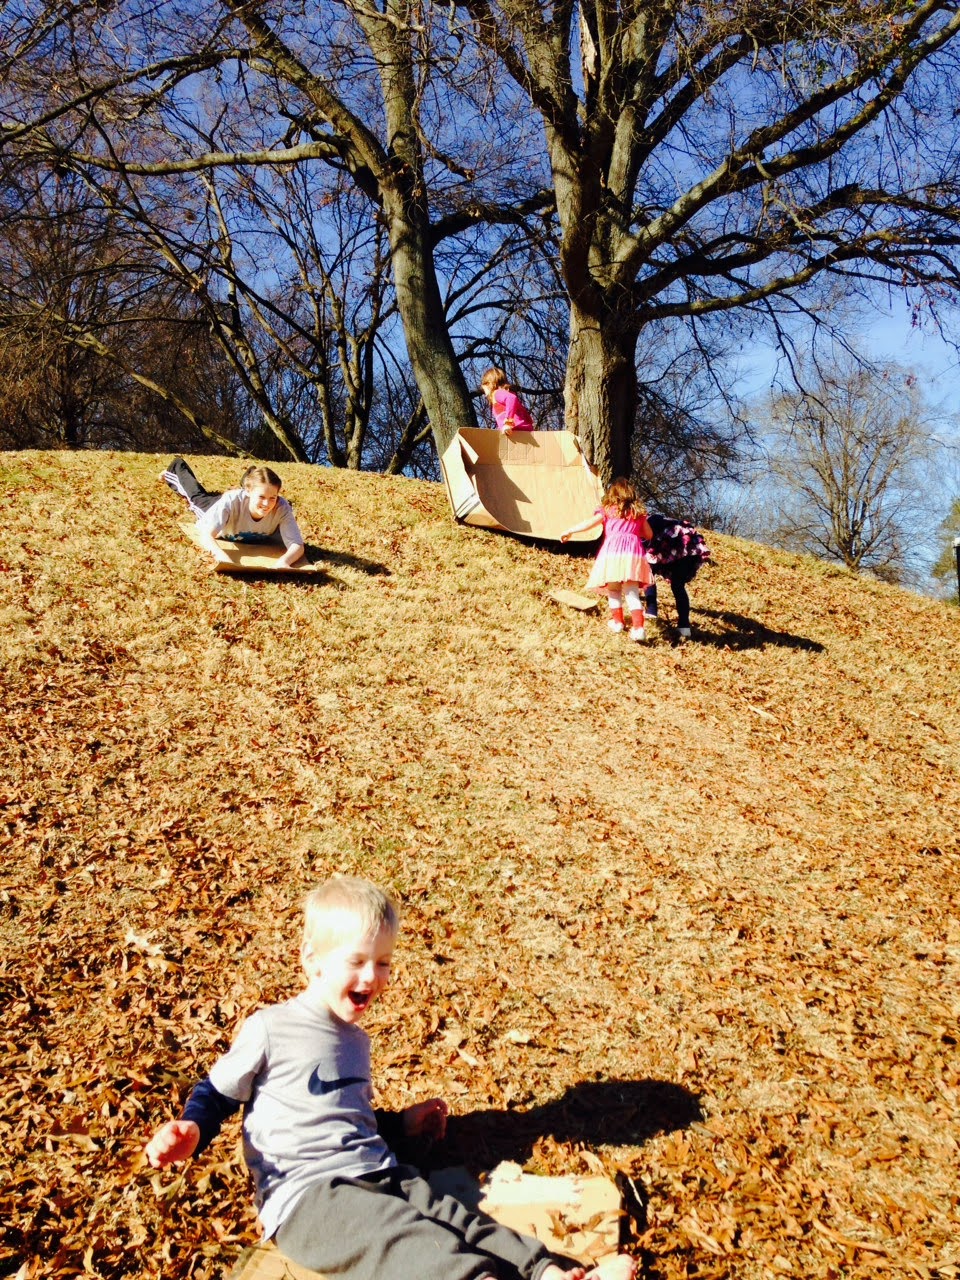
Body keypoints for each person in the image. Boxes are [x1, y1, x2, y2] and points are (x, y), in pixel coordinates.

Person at [144, 877, 635, 1280]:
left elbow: (345, 1118)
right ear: (311, 960)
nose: (372, 977)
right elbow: (217, 1093)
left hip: (380, 1172)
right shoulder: (272, 1027)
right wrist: (194, 1128)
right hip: (311, 1198)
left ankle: (549, 1271)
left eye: (382, 963)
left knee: (457, 1218)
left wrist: (401, 1124)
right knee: (411, 1242)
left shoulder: (356, 1042)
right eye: (356, 961)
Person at [161, 457, 306, 569]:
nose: (267, 504)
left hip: (241, 501)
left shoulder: (282, 508)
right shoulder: (231, 500)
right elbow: (206, 535)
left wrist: (284, 562)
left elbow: (297, 545)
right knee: (197, 497)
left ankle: (251, 477)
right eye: (261, 497)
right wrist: (223, 558)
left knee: (261, 498)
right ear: (248, 492)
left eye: (272, 498)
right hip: (223, 508)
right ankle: (175, 468)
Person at [560, 478, 653, 642]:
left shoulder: (608, 510)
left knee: (614, 589)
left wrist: (571, 531)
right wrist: (634, 529)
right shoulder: (638, 513)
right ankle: (639, 629)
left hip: (612, 554)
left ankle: (617, 622)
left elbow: (589, 524)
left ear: (612, 494)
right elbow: (649, 535)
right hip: (633, 555)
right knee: (632, 592)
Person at [643, 514, 711, 639]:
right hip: (686, 544)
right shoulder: (658, 520)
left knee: (648, 573)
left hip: (673, 543)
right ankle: (684, 626)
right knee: (678, 585)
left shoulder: (643, 522)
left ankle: (651, 611)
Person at [480, 367, 535, 433]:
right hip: (520, 431)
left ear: (489, 384)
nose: (484, 392)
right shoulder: (504, 395)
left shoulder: (497, 393)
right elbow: (524, 414)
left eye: (484, 388)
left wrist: (508, 423)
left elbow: (511, 398)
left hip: (516, 430)